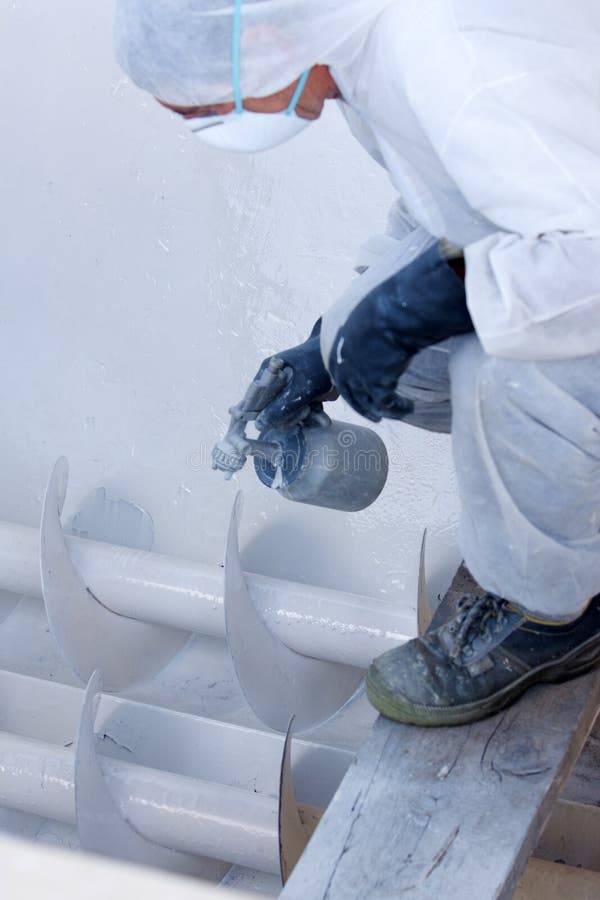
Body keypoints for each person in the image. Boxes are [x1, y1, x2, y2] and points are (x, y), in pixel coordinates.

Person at [114, 0, 600, 727]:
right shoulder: (366, 57)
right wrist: (329, 347)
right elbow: (450, 213)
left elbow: (585, 249)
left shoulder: (453, 54)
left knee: (507, 368)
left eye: (208, 108)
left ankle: (552, 619)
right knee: (389, 336)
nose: (213, 129)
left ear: (268, 39)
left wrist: (428, 299)